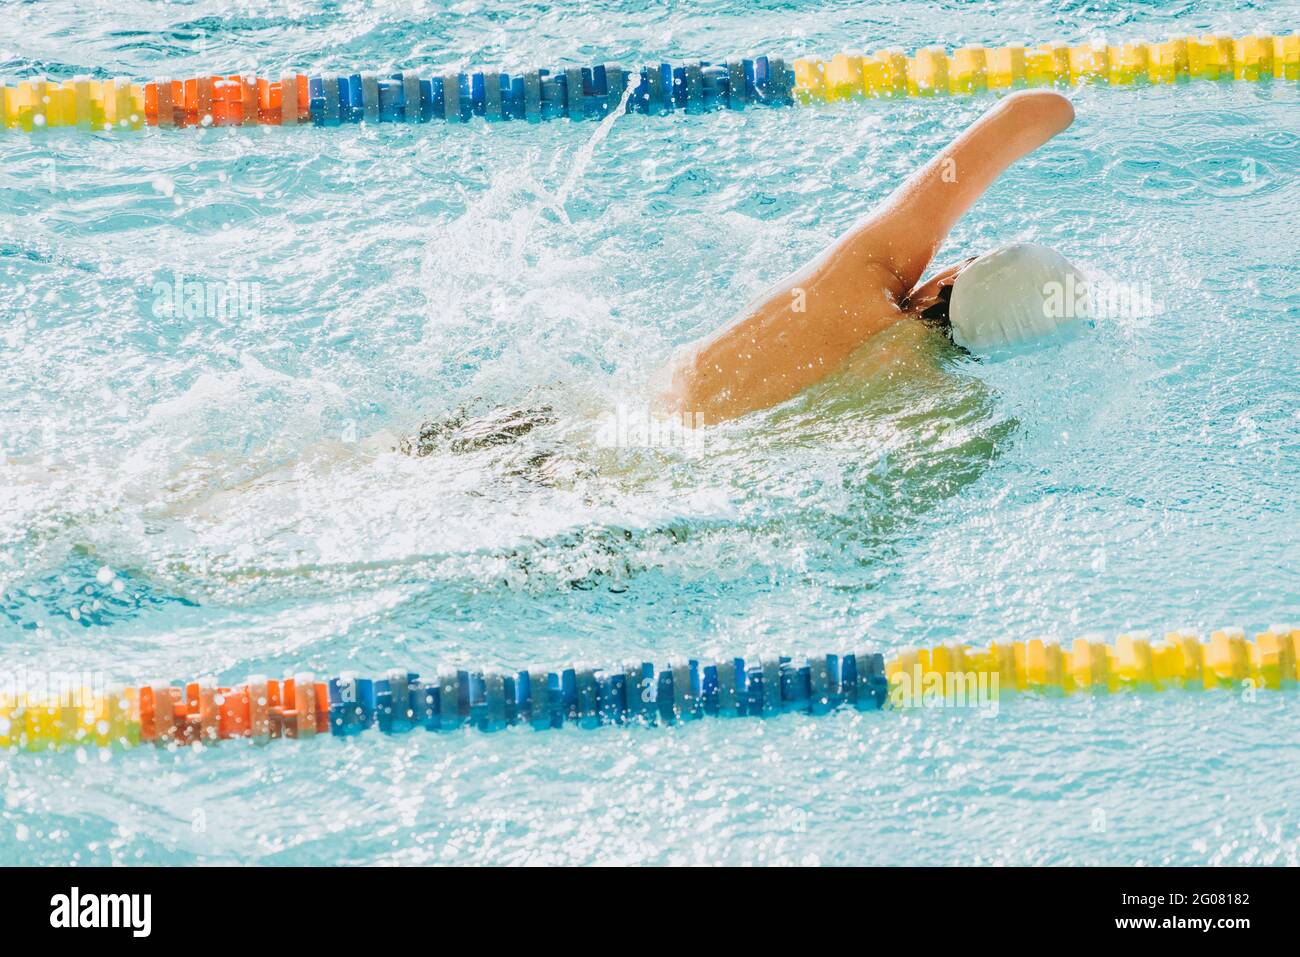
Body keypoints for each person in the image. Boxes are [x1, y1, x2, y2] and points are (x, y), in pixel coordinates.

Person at [656, 89, 1089, 423]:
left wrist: (1065, 107)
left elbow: (1031, 109)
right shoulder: (936, 408)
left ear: (952, 279)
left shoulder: (866, 276)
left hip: (619, 445)